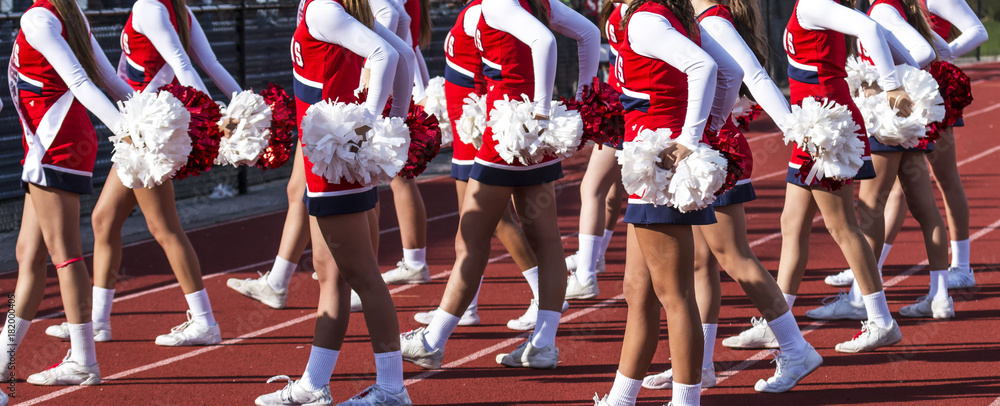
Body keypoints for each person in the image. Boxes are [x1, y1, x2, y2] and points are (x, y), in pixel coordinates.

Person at [398, 0, 600, 371]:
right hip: (527, 134)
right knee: (545, 236)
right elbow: (588, 33)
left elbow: (545, 41)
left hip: (508, 131)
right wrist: (583, 100)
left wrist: (540, 111)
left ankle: (432, 341)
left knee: (472, 235)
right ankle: (543, 344)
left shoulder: (497, 3)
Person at [642, 0, 821, 394]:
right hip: (704, 150)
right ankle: (701, 365)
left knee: (734, 256)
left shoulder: (711, 21)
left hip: (709, 156)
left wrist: (791, 127)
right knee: (702, 264)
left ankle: (795, 348)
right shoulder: (686, 20)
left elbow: (750, 75)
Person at [45, 0, 241, 347]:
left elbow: (186, 66)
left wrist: (221, 118)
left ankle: (204, 321)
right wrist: (237, 103)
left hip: (146, 133)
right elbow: (209, 64)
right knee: (104, 220)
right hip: (144, 129)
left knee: (163, 226)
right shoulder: (175, 9)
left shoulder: (151, 8)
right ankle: (99, 322)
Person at [253, 0, 416, 403]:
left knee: (362, 276)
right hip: (329, 158)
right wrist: (388, 122)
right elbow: (404, 54)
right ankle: (314, 384)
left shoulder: (323, 10)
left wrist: (371, 128)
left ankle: (393, 389)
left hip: (334, 160)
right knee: (331, 275)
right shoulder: (328, 7)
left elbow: (388, 55)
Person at [593, 0, 727, 403]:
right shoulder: (668, 13)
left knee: (674, 293)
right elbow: (731, 72)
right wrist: (708, 131)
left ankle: (687, 400)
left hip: (657, 163)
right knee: (638, 289)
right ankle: (622, 397)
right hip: (650, 162)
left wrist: (691, 140)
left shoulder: (646, 19)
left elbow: (706, 68)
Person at [3, 0, 133, 386]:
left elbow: (84, 81)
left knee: (65, 256)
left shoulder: (40, 17)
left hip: (54, 144)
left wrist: (128, 129)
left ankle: (83, 360)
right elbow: (111, 78)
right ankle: (3, 357)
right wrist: (144, 114)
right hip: (49, 144)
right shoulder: (66, 12)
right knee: (28, 254)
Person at [773, 0, 915, 353]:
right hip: (812, 123)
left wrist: (893, 84)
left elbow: (871, 29)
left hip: (825, 128)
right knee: (791, 221)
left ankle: (881, 320)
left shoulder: (814, 4)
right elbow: (879, 33)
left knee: (842, 226)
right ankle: (778, 317)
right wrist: (907, 67)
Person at [806, 0, 954, 321]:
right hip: (901, 121)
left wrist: (886, 84)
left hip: (886, 122)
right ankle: (939, 296)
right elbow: (926, 51)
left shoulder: (880, 11)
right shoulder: (883, 11)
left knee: (871, 206)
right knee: (924, 208)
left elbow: (925, 53)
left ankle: (861, 298)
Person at [828, 0, 986, 289]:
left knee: (945, 180)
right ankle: (869, 266)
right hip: (910, 98)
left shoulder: (891, 7)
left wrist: (908, 75)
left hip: (924, 97)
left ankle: (961, 266)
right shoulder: (890, 7)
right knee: (903, 191)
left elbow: (973, 33)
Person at [562, 0, 627, 301]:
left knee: (592, 188)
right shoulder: (623, 9)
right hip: (624, 108)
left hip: (627, 110)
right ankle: (595, 256)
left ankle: (586, 273)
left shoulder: (640, 14)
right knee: (613, 192)